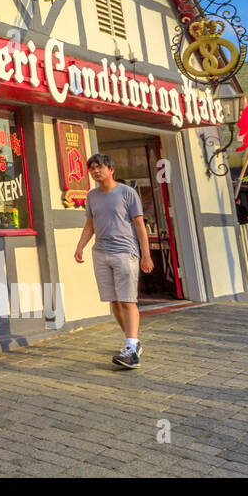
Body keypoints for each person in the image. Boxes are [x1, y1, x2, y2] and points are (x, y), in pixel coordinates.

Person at [74, 152, 154, 369]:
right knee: (114, 301)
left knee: (128, 300)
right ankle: (131, 342)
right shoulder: (92, 196)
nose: (95, 171)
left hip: (125, 252)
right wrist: (80, 246)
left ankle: (131, 347)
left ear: (111, 169)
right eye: (92, 168)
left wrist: (145, 255)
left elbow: (139, 225)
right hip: (100, 252)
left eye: (99, 167)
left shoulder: (127, 193)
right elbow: (90, 225)